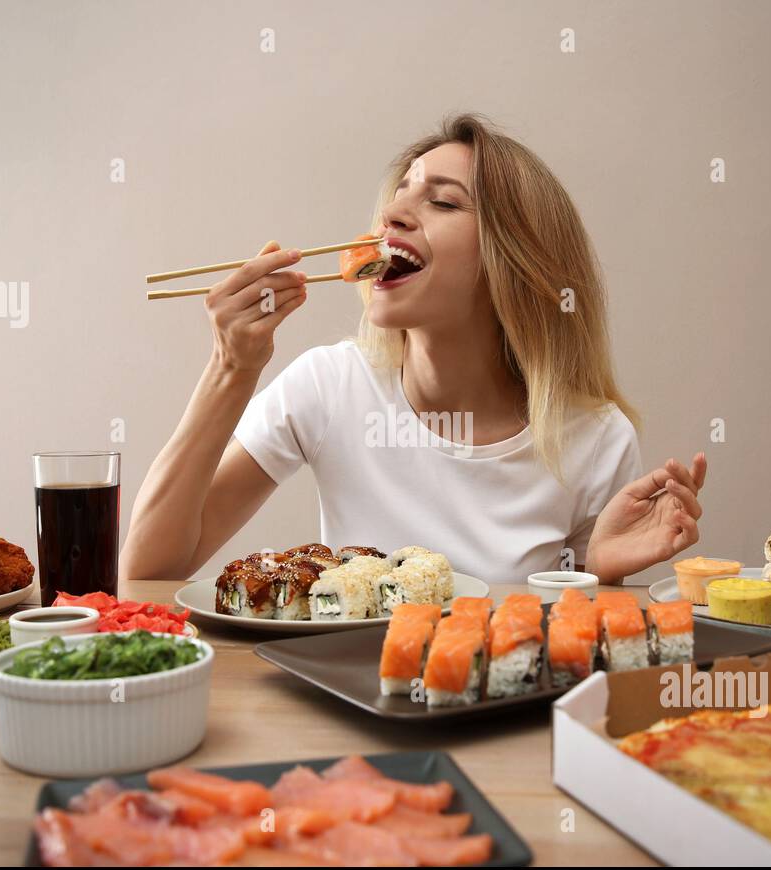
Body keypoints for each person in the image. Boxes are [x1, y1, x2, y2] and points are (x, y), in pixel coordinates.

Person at [121, 113, 707, 584]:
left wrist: (597, 576)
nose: (392, 215)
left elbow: (576, 653)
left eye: (443, 203)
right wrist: (230, 367)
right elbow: (148, 571)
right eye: (400, 194)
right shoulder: (329, 387)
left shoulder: (597, 440)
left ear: (513, 260)